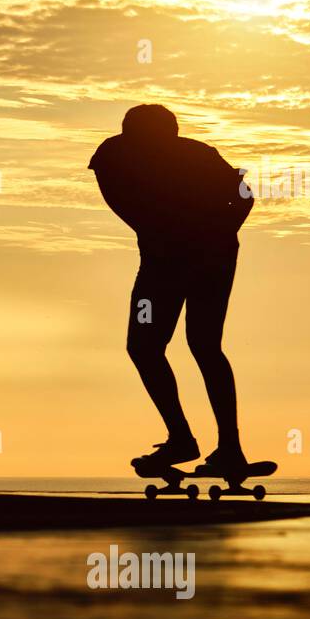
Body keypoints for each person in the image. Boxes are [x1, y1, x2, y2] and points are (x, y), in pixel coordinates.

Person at [87, 104, 254, 474]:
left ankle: (223, 447)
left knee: (197, 346)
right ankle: (191, 440)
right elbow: (131, 209)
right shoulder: (112, 156)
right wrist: (207, 234)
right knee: (151, 347)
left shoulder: (197, 154)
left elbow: (245, 195)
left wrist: (220, 231)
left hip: (198, 258)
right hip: (175, 259)